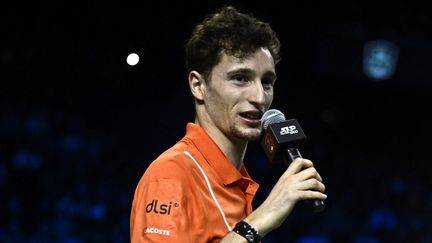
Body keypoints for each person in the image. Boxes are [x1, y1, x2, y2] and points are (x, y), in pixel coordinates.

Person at [130, 5, 327, 243]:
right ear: (197, 86)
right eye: (240, 78)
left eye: (266, 81)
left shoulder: (237, 182)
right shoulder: (171, 175)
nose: (260, 97)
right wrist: (261, 218)